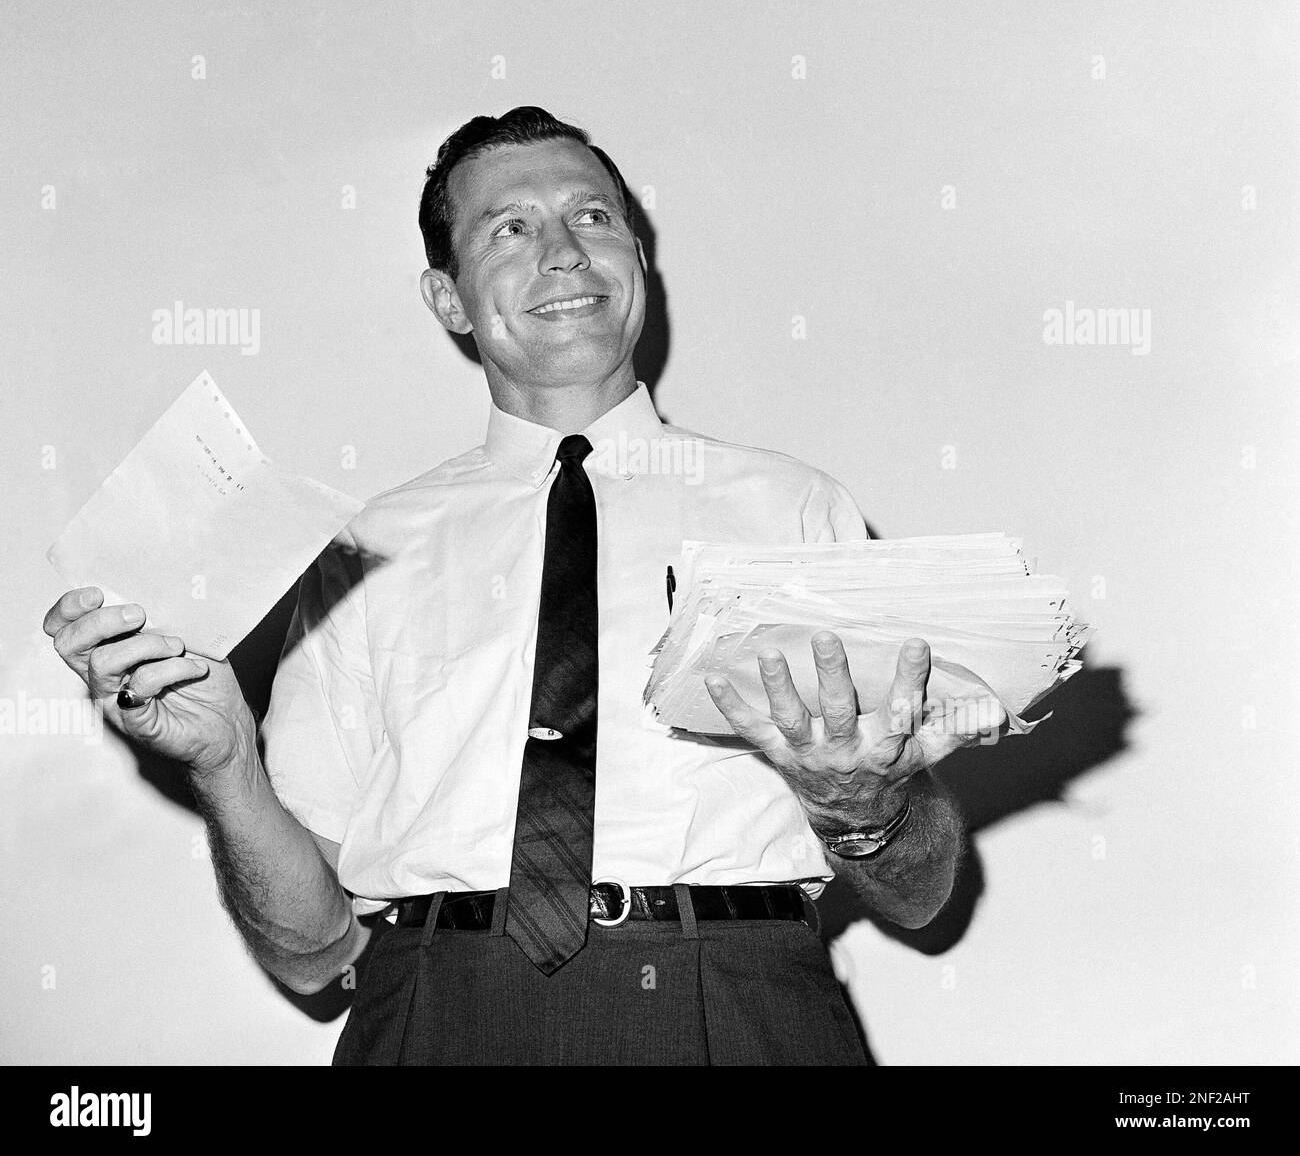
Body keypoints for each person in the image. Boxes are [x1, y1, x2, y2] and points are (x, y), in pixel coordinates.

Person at [43, 107, 1002, 1066]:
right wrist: (223, 763)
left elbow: (920, 893)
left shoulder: (796, 509)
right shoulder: (364, 550)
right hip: (432, 1014)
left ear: (637, 256)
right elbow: (315, 951)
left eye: (593, 217)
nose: (563, 253)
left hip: (739, 1011)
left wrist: (862, 803)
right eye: (510, 227)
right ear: (448, 298)